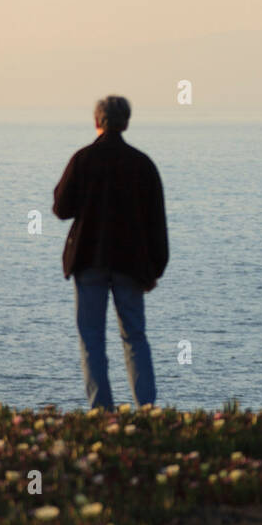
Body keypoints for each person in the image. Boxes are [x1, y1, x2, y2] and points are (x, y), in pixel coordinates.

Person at [52, 96, 168, 409]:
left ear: (97, 122)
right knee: (134, 336)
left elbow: (61, 208)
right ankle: (146, 408)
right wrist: (155, 269)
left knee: (91, 338)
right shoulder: (142, 165)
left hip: (88, 260)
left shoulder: (82, 160)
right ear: (126, 123)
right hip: (131, 264)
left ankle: (102, 411)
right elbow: (157, 222)